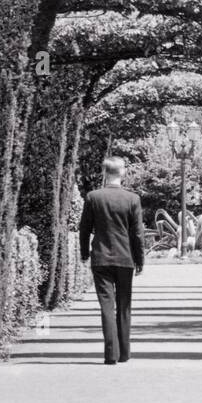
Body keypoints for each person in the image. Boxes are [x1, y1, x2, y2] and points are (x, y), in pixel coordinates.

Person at [79, 156, 145, 365]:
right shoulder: (132, 199)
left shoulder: (93, 197)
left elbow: (84, 228)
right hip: (125, 258)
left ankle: (111, 354)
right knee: (124, 306)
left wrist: (84, 253)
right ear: (122, 173)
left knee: (107, 306)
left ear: (104, 173)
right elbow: (137, 234)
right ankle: (124, 352)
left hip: (101, 258)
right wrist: (140, 259)